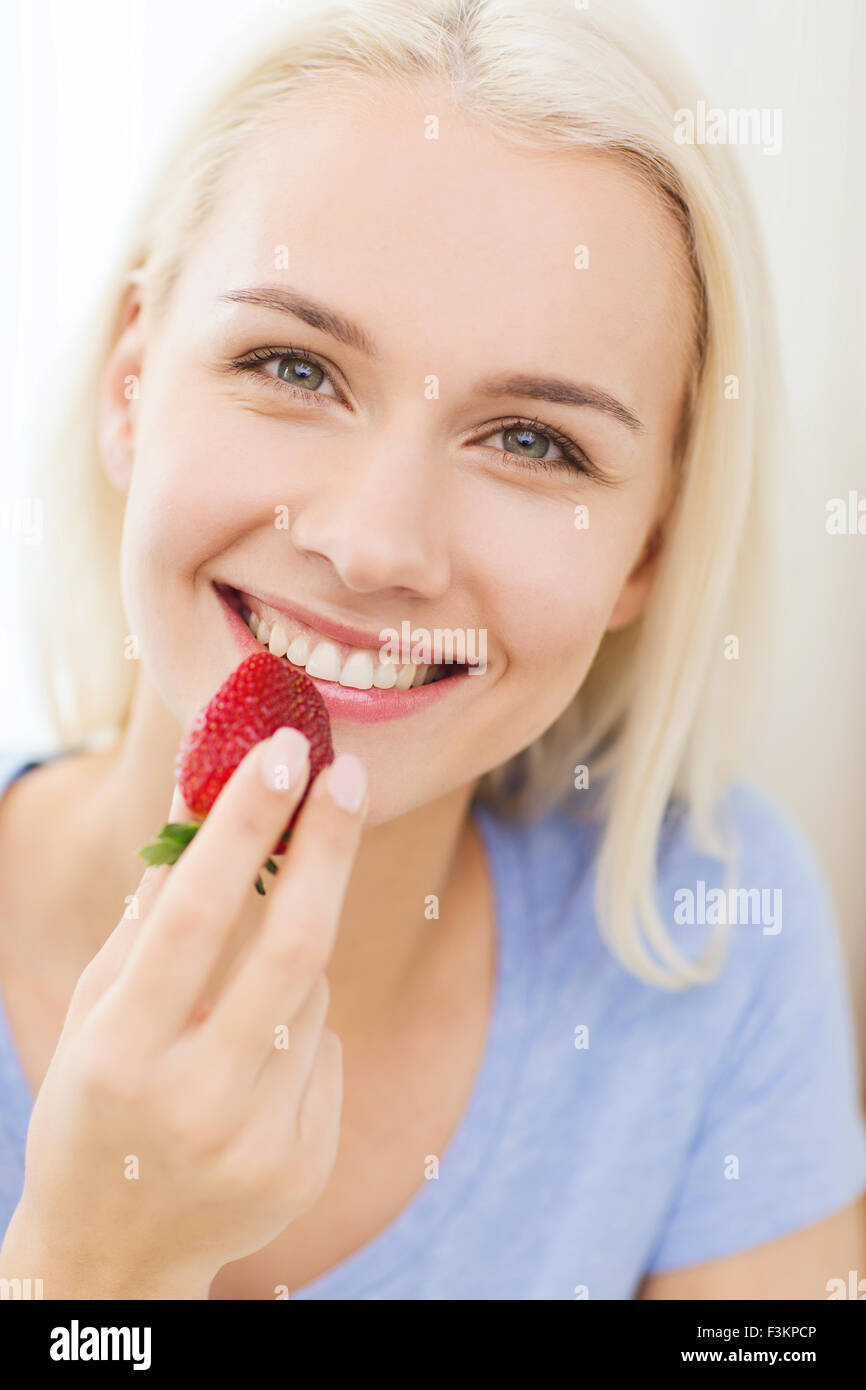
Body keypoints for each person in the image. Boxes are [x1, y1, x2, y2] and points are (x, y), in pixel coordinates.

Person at [0, 0, 863, 1300]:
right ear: (133, 387)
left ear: (646, 550)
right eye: (292, 364)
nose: (373, 544)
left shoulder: (710, 935)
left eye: (532, 441)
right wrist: (96, 1277)